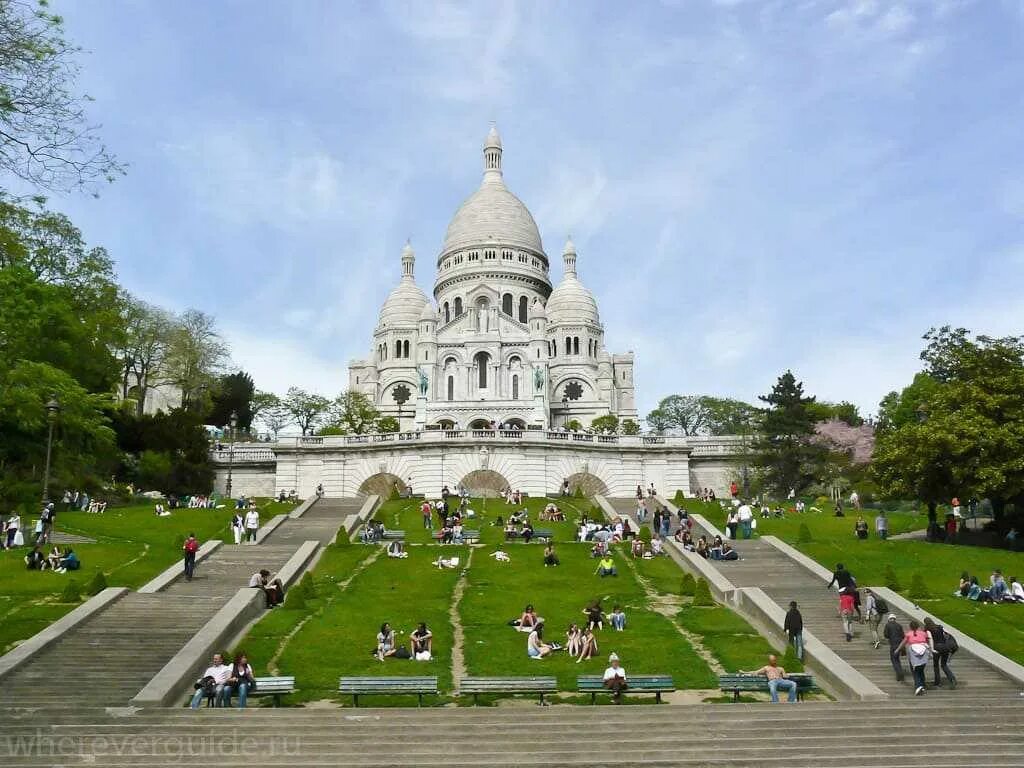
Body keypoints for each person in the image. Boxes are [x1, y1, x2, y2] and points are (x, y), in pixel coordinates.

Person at [895, 619, 934, 695]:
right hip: (924, 653)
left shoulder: (908, 634)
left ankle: (918, 686)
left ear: (910, 627)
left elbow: (903, 643)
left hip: (913, 653)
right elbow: (928, 641)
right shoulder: (923, 633)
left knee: (915, 671)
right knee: (921, 670)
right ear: (918, 626)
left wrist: (897, 650)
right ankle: (922, 685)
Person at [923, 617, 956, 688]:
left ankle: (937, 682)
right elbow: (948, 633)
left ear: (925, 623)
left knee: (936, 665)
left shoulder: (928, 630)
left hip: (937, 647)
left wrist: (932, 649)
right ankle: (952, 678)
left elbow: (930, 638)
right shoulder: (940, 627)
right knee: (944, 665)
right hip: (945, 647)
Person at [882, 614, 906, 682]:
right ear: (895, 619)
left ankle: (899, 674)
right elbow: (903, 635)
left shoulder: (888, 625)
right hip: (900, 644)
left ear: (889, 619)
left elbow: (886, 635)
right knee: (897, 658)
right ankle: (900, 671)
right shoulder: (899, 625)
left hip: (893, 644)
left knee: (894, 659)